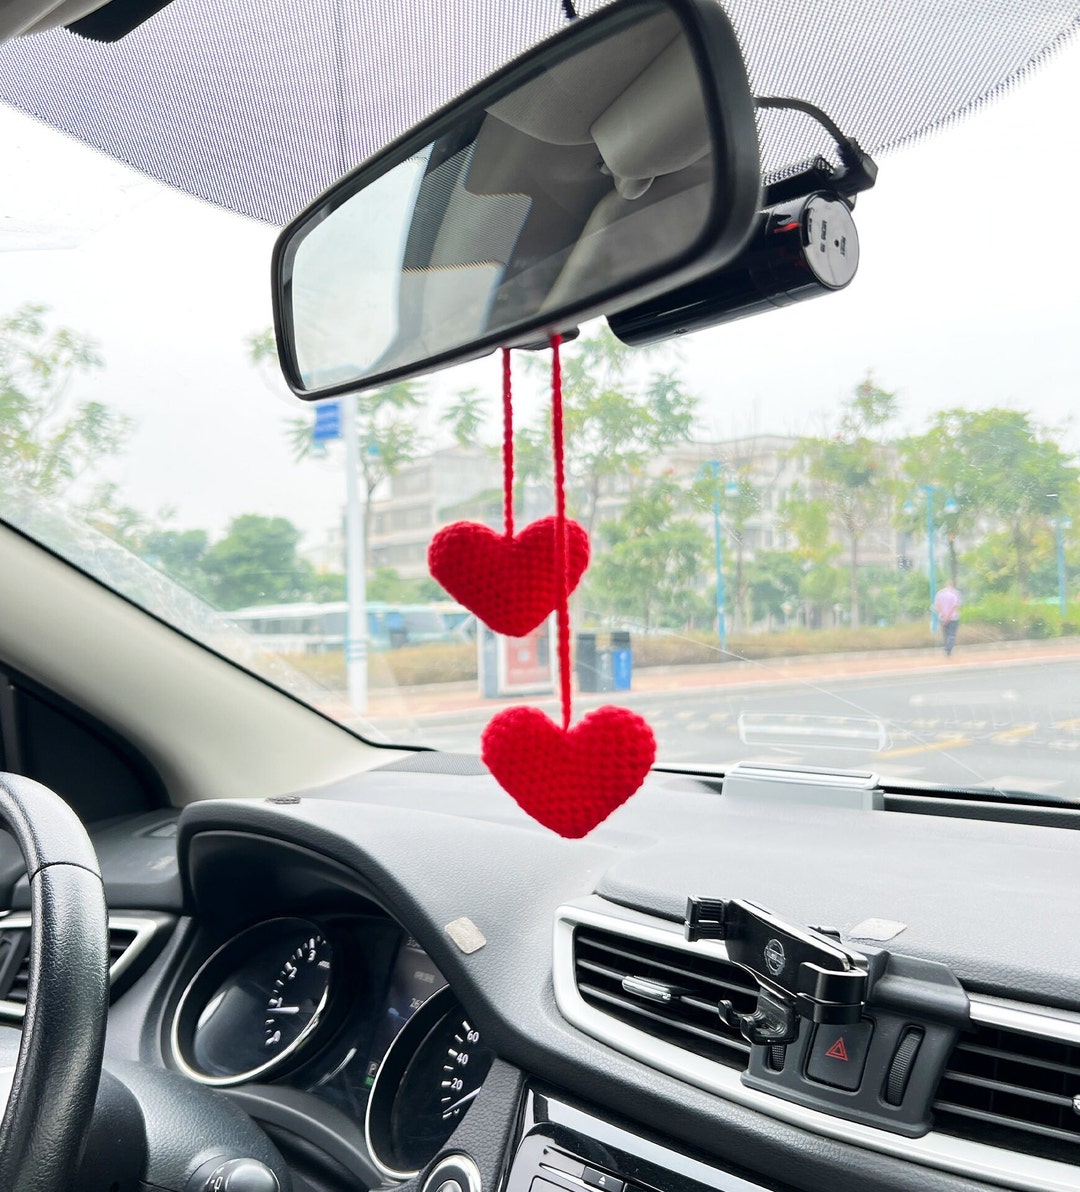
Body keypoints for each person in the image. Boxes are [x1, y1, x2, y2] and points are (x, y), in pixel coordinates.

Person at [934, 581, 961, 656]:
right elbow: (955, 606)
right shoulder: (955, 593)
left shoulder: (939, 593)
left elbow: (937, 605)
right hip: (953, 618)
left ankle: (947, 649)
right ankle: (948, 649)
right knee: (952, 634)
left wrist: (944, 615)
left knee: (945, 634)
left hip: (942, 618)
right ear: (952, 585)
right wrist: (949, 616)